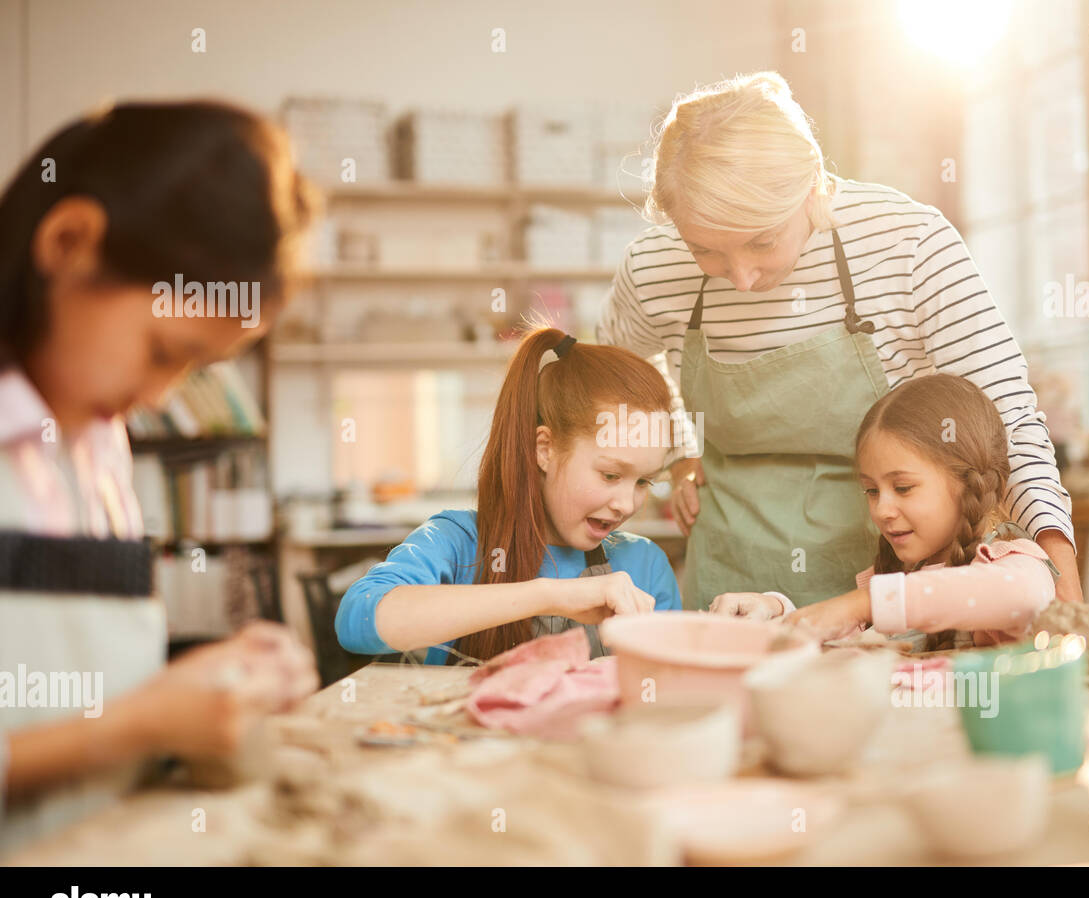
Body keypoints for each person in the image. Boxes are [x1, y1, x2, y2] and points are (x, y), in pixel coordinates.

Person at [597, 71, 1083, 613]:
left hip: (901, 587)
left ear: (812, 188)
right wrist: (680, 451)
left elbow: (1008, 422)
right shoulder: (655, 266)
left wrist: (1058, 574)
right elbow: (616, 375)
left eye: (762, 240)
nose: (742, 278)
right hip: (733, 587)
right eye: (706, 251)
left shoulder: (909, 243)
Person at [0, 101, 320, 854]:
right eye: (160, 350)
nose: (156, 399)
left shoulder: (98, 445)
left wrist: (201, 684)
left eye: (194, 369)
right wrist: (140, 726)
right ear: (69, 242)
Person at [712, 374, 1089, 656]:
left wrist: (859, 604)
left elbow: (1021, 595)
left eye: (903, 487)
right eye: (871, 491)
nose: (883, 510)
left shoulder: (1013, 560)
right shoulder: (907, 575)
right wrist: (776, 612)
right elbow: (845, 643)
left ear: (967, 480)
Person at [336, 326, 682, 664]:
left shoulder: (645, 565)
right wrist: (549, 595)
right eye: (610, 475)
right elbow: (357, 621)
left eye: (644, 482)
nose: (626, 504)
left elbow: (668, 687)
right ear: (544, 448)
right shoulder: (459, 543)